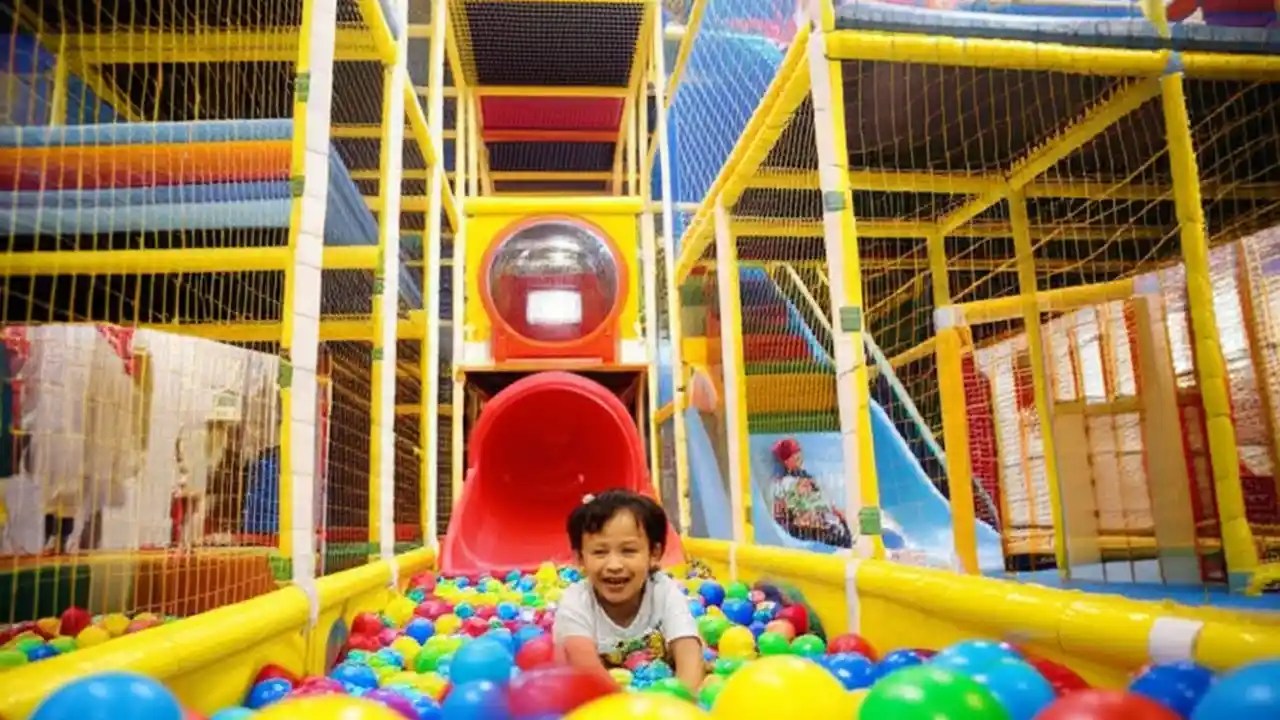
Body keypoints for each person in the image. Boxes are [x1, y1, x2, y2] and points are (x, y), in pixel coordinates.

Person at [553, 490, 704, 693]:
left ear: (654, 554)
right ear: (580, 558)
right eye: (600, 552)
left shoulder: (663, 591)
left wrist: (682, 701)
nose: (614, 565)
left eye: (628, 551)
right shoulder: (577, 601)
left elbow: (689, 656)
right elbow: (585, 668)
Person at [770, 438, 852, 547]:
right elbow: (780, 511)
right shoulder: (784, 483)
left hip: (819, 517)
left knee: (843, 528)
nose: (798, 456)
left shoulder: (808, 478)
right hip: (804, 522)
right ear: (785, 461)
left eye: (798, 452)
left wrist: (836, 511)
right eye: (793, 454)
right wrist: (790, 520)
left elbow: (822, 498)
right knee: (832, 531)